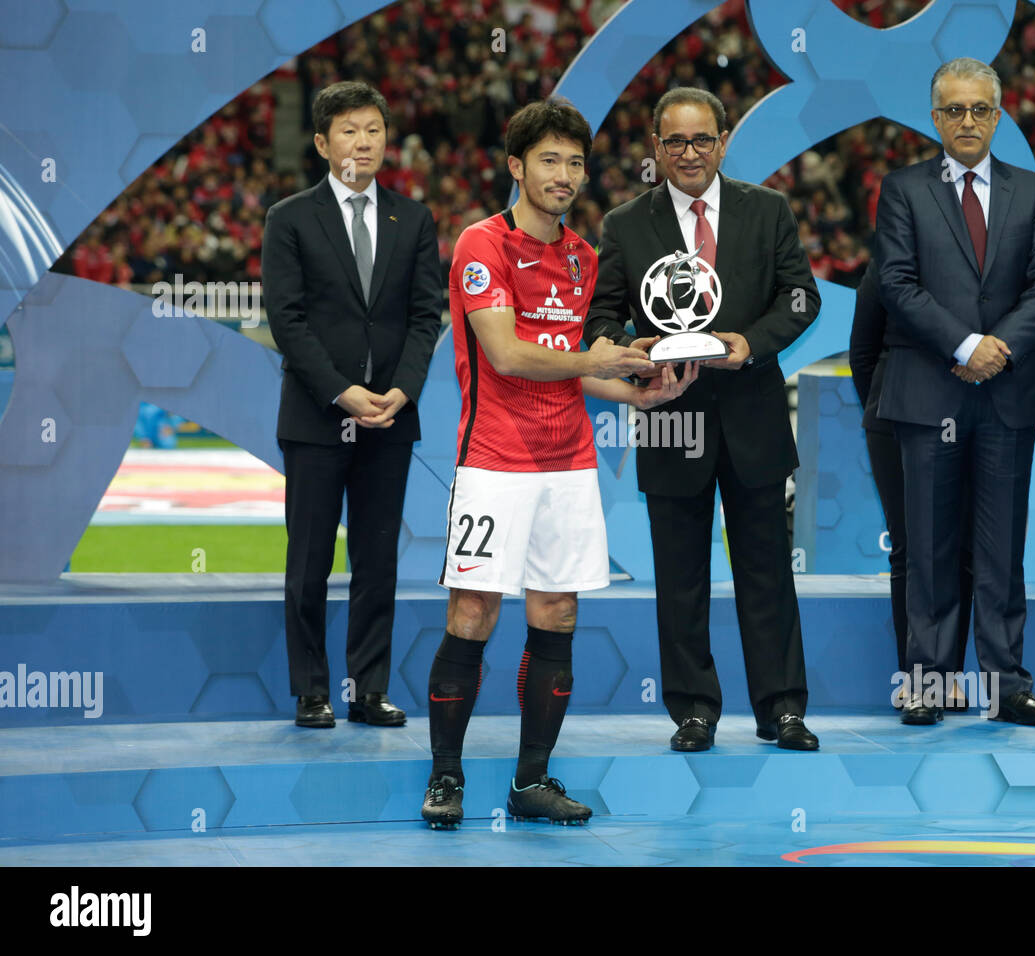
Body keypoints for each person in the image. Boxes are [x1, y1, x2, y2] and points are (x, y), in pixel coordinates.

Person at [422, 98, 696, 828]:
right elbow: (508, 355)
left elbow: (574, 371)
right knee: (473, 612)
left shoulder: (583, 256)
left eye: (575, 162)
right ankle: (445, 777)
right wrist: (596, 357)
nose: (565, 175)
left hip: (570, 462)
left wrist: (637, 388)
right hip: (494, 461)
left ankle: (531, 781)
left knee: (558, 612)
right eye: (549, 160)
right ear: (516, 167)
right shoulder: (481, 246)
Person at [584, 87, 821, 753]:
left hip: (752, 414)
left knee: (768, 574)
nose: (689, 152)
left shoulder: (767, 210)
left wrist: (754, 341)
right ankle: (693, 711)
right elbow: (601, 314)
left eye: (701, 140)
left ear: (722, 143)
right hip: (668, 416)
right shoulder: (626, 224)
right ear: (656, 149)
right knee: (680, 578)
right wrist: (629, 355)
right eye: (675, 141)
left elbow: (800, 296)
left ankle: (783, 710)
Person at [874, 57, 1035, 726]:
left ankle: (1006, 684)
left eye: (980, 108)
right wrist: (963, 345)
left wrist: (996, 348)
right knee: (927, 548)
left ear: (998, 113)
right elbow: (896, 284)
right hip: (930, 390)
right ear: (934, 117)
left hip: (1006, 391)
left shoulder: (1032, 191)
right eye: (954, 109)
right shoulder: (903, 189)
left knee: (1002, 548)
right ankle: (928, 682)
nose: (968, 121)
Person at [264, 81, 441, 730]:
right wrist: (342, 390)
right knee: (308, 559)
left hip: (391, 418)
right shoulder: (289, 219)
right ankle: (312, 690)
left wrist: (402, 390)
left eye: (373, 129)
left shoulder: (414, 219)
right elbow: (287, 319)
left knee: (377, 561)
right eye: (348, 130)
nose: (362, 142)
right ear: (321, 143)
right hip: (315, 418)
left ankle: (370, 688)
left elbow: (427, 317)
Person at [849, 259, 974, 707]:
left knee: (961, 545)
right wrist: (886, 411)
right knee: (910, 546)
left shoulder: (982, 258)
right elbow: (862, 351)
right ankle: (916, 675)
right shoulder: (887, 261)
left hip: (969, 418)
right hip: (895, 420)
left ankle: (950, 672)